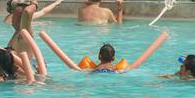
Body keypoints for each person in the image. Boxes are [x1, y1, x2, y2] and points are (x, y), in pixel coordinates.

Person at [39, 29, 169, 73]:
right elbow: (135, 66)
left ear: (98, 56)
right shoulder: (119, 71)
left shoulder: (91, 71)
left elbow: (73, 68)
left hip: (94, 75)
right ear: (113, 59)